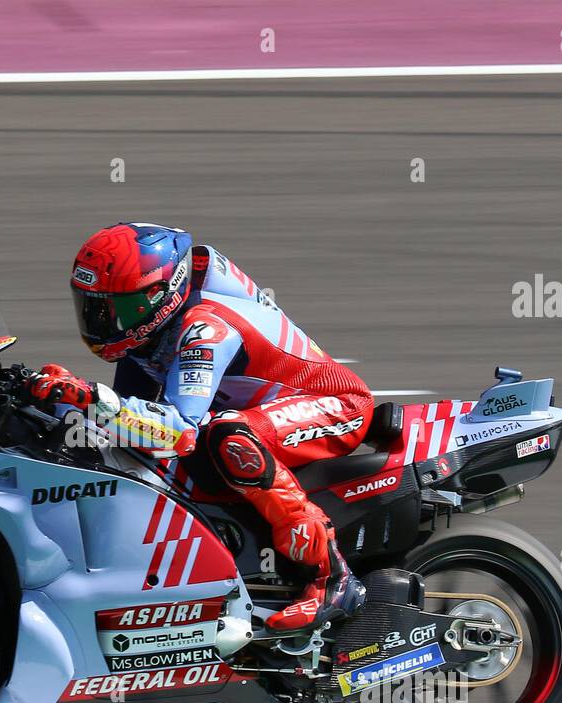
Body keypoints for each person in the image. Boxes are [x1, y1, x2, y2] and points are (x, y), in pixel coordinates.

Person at [33, 222, 371, 632]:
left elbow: (179, 430)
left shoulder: (206, 327)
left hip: (335, 405)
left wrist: (90, 397)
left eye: (115, 309)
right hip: (257, 412)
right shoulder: (144, 336)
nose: (101, 322)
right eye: (92, 308)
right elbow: (132, 428)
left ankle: (331, 576)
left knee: (228, 437)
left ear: (160, 294)